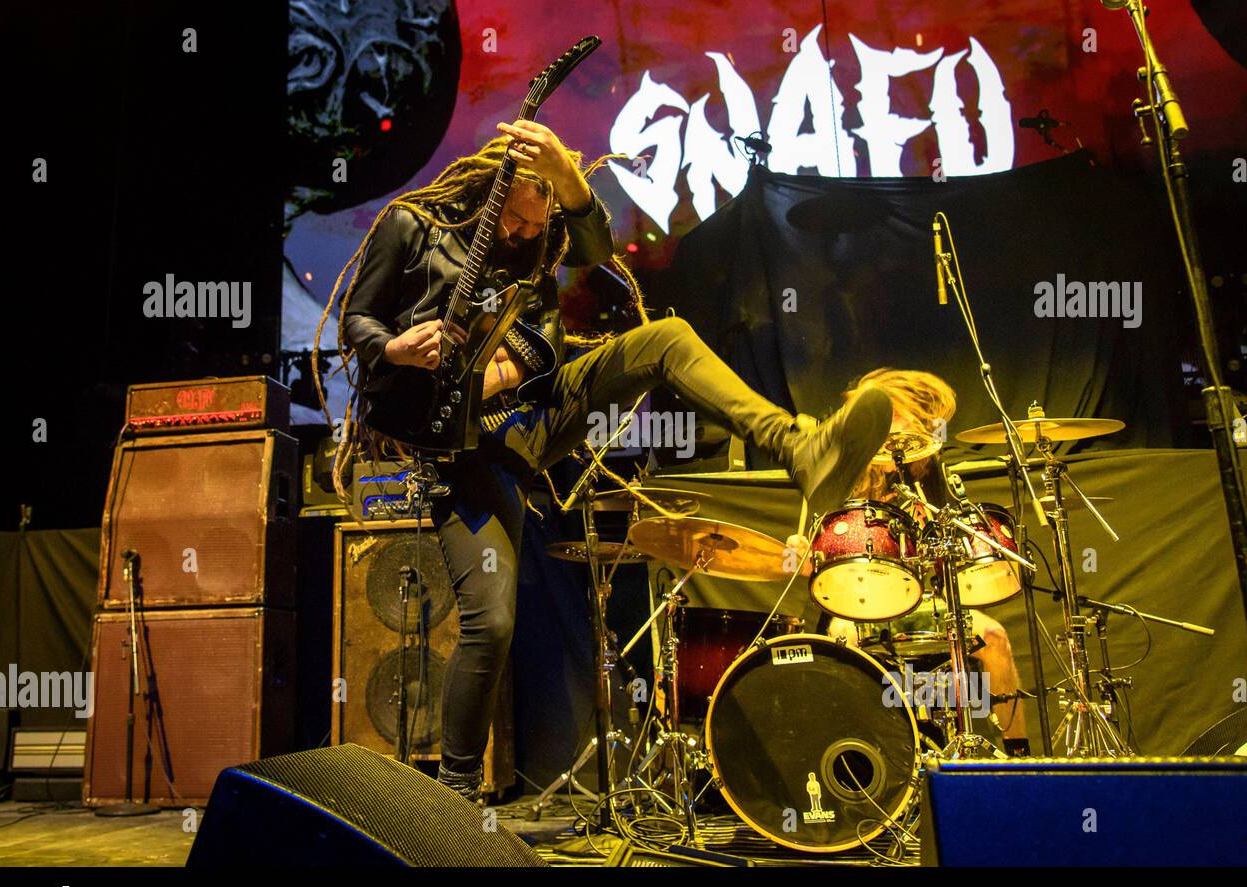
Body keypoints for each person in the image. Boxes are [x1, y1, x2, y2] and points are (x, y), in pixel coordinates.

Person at [328, 121, 894, 798]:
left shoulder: (544, 241)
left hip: (542, 412)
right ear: (486, 190)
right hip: (468, 449)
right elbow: (357, 322)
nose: (522, 234)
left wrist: (570, 184)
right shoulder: (411, 226)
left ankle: (797, 446)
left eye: (536, 225)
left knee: (669, 339)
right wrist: (392, 349)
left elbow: (592, 249)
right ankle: (453, 792)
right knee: (493, 621)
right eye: (512, 219)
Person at [788, 368, 1032, 757]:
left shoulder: (927, 471)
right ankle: (852, 761)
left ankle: (1019, 756)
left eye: (900, 420)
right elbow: (814, 547)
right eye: (886, 420)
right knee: (844, 638)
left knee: (994, 636)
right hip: (854, 603)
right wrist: (799, 551)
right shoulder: (838, 467)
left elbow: (945, 548)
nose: (894, 430)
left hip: (915, 598)